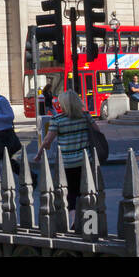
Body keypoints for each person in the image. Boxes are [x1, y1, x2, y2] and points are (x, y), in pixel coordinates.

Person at [30, 88, 91, 227]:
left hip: (68, 162)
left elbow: (47, 141)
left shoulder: (58, 119)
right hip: (86, 161)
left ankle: (75, 220)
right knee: (88, 192)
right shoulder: (86, 116)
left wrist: (38, 155)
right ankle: (90, 227)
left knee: (72, 193)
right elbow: (97, 132)